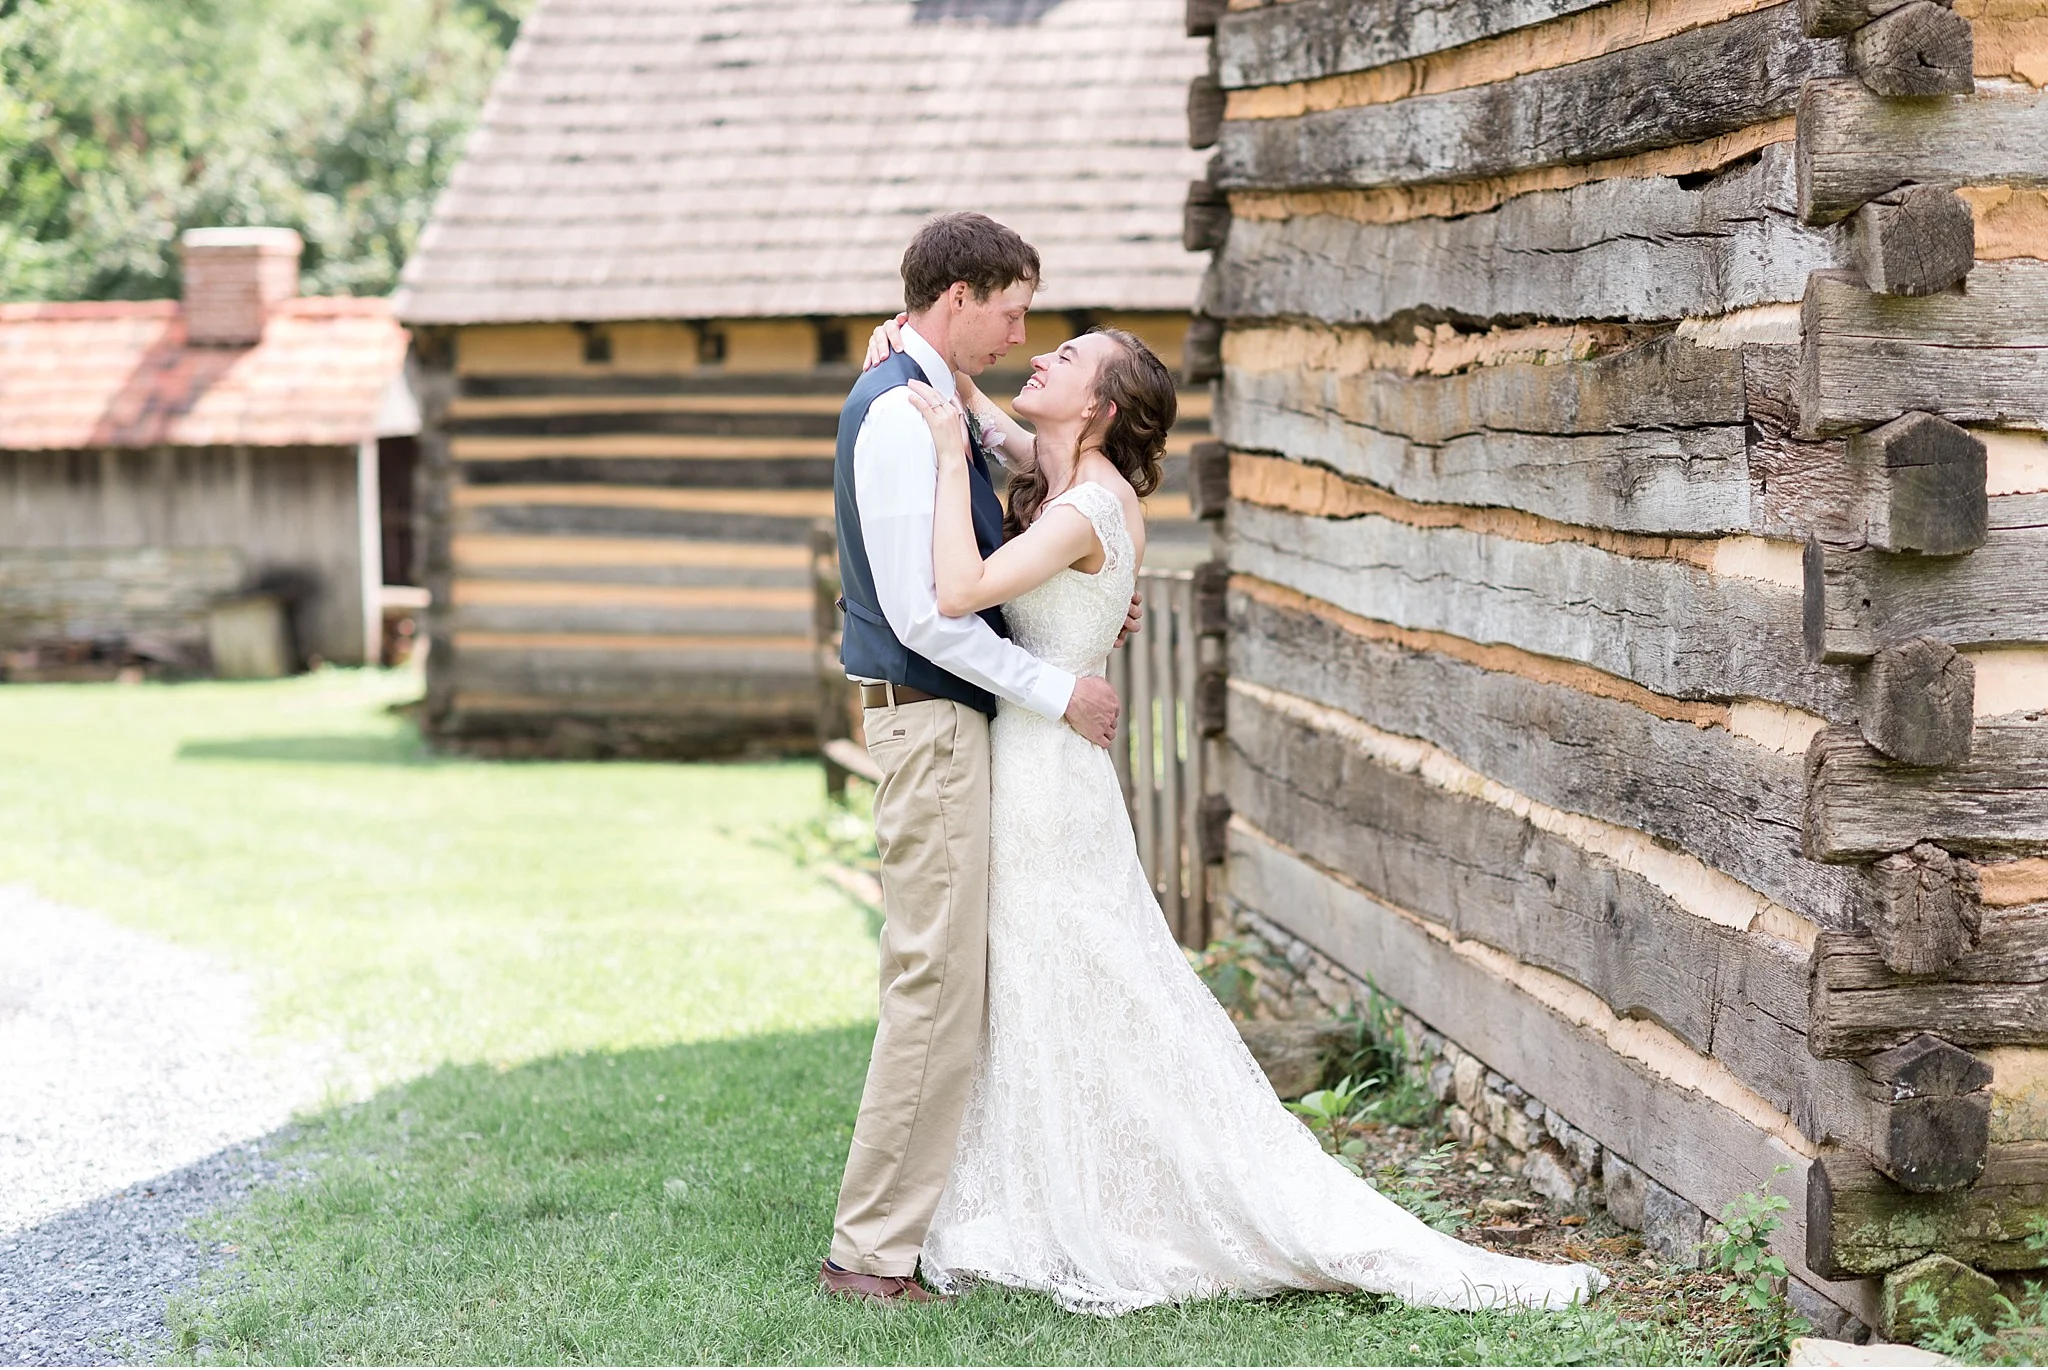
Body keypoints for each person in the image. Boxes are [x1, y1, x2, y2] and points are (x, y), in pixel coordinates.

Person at [870, 311, 1610, 1316]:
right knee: (1052, 976)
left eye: (1069, 356)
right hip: (1049, 759)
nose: (1040, 354)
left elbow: (957, 586)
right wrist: (920, 350)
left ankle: (1110, 1192)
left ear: (1102, 405)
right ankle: (1039, 1180)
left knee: (1070, 971)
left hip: (1045, 770)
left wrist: (943, 447)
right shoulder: (1090, 486)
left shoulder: (1086, 506)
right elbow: (1006, 428)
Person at [819, 212, 1139, 1305]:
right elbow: (925, 614)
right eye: (1009, 311)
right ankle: (869, 1255)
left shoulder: (933, 394)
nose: (1018, 334)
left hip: (954, 720)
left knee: (953, 979)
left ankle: (911, 1227)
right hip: (930, 714)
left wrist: (1069, 618)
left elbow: (1014, 479)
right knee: (934, 984)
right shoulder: (904, 417)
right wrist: (1058, 684)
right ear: (957, 296)